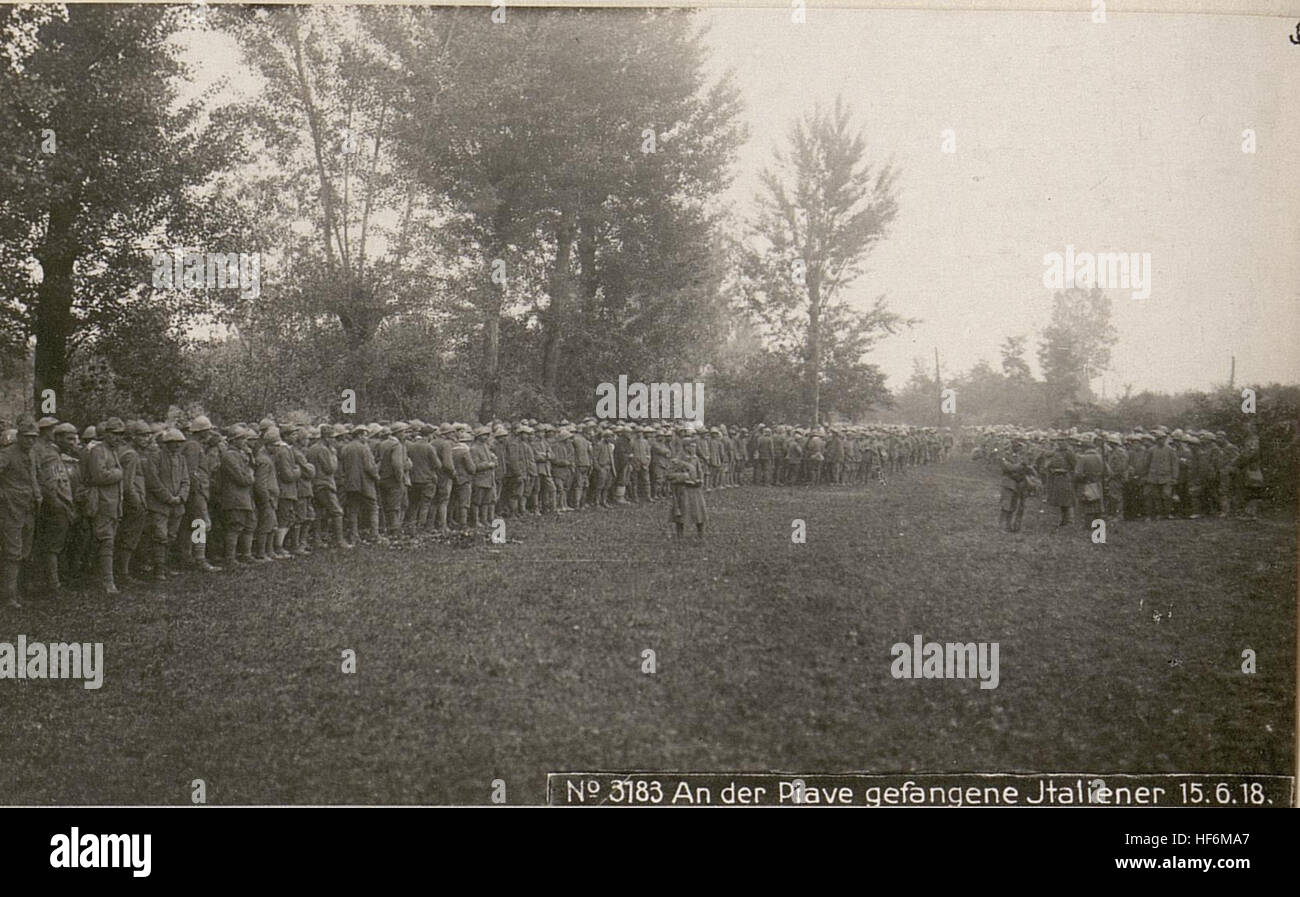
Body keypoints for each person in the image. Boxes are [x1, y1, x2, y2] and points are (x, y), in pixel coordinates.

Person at [0, 415, 42, 608]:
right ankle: (9, 596)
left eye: (33, 437)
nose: (30, 440)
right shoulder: (7, 453)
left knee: (25, 549)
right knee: (12, 551)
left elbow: (33, 476)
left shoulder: (32, 454)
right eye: (26, 436)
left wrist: (37, 494)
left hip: (29, 507)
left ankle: (19, 591)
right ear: (19, 436)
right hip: (11, 509)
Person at [142, 428, 190, 581]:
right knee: (160, 535)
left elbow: (186, 480)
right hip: (159, 505)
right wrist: (168, 498)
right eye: (172, 443)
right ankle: (158, 569)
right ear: (166, 443)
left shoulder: (181, 459)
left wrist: (181, 496)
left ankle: (164, 566)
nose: (176, 446)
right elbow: (153, 481)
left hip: (177, 506)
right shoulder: (155, 458)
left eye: (179, 443)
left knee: (171, 535)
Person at [32, 416, 73, 594]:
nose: (53, 433)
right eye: (52, 430)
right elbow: (49, 481)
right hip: (54, 501)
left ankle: (47, 581)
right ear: (46, 431)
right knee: (52, 545)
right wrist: (57, 502)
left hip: (56, 499)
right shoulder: (45, 452)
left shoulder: (46, 449)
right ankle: (53, 584)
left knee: (52, 544)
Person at [667, 431, 707, 540]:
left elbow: (700, 472)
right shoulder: (677, 460)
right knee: (681, 514)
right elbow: (669, 475)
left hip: (695, 490)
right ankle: (680, 535)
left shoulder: (696, 459)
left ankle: (701, 534)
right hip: (683, 490)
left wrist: (699, 480)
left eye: (694, 446)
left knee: (699, 513)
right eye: (691, 446)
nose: (694, 448)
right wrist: (683, 477)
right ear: (685, 447)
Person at [998, 439, 1029, 533]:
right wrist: (1019, 466)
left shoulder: (1022, 456)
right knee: (1006, 505)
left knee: (1013, 506)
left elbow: (1027, 467)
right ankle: (1002, 526)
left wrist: (1019, 467)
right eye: (1015, 445)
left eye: (1019, 445)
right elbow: (1008, 467)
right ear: (1011, 445)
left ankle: (1009, 526)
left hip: (1018, 483)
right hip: (1008, 482)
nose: (1017, 447)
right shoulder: (1005, 455)